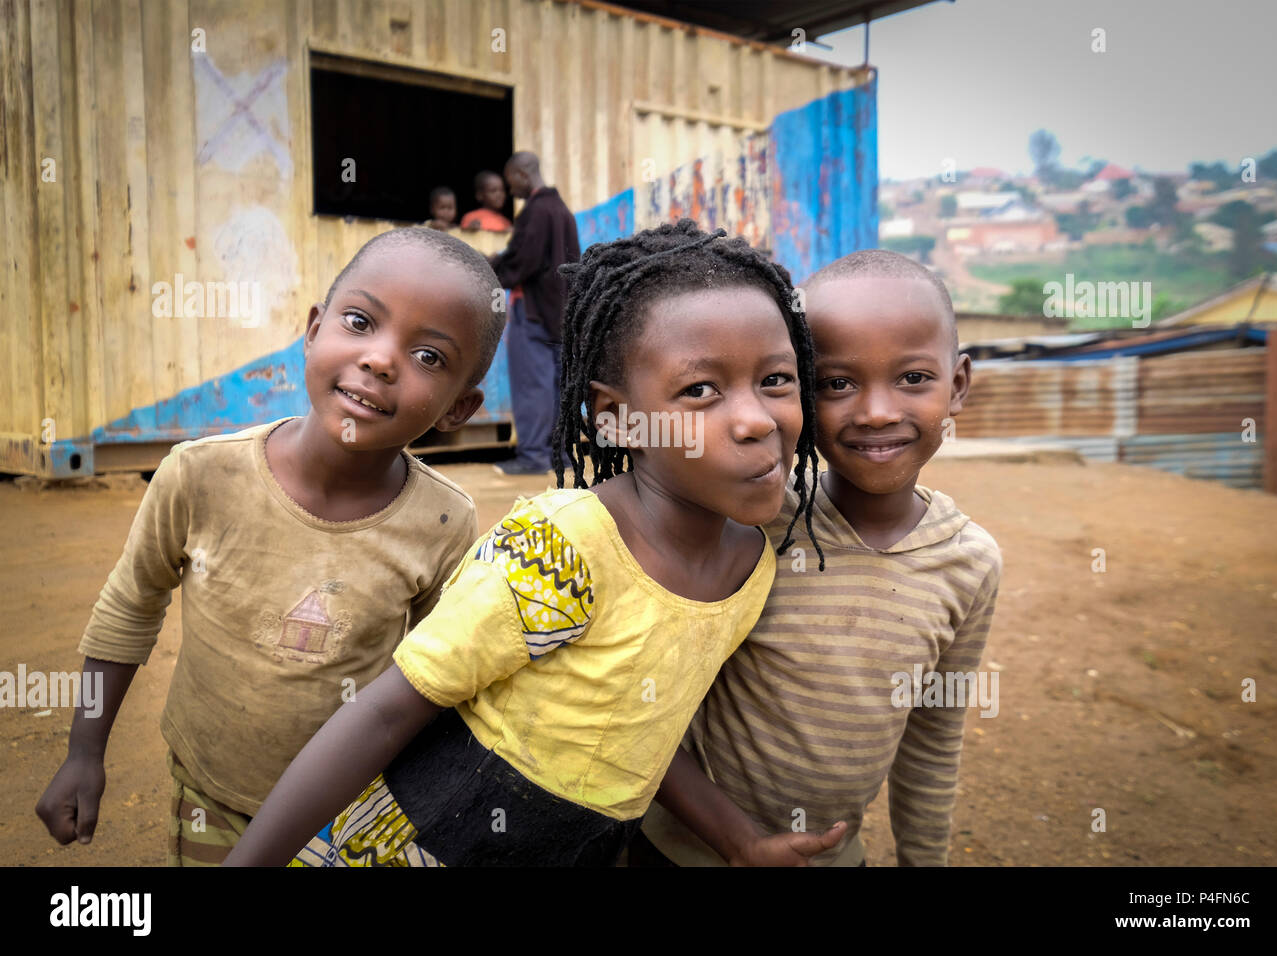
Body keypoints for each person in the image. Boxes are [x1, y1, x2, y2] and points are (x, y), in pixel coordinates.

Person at [223, 220, 824, 867]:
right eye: (700, 390)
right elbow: (387, 712)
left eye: (776, 381)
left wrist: (743, 842)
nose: (757, 421)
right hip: (429, 837)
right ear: (617, 418)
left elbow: (641, 729)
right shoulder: (560, 552)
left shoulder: (753, 563)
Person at [34, 228, 506, 865]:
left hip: (351, 811)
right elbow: (130, 605)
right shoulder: (200, 475)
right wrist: (84, 752)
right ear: (313, 330)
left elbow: (429, 676)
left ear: (459, 408)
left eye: (429, 358)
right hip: (212, 795)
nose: (382, 360)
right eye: (361, 321)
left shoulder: (445, 520)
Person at [635, 249, 1003, 867]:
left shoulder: (970, 563)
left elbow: (934, 737)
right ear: (799, 391)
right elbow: (649, 698)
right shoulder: (752, 524)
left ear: (958, 384)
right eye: (837, 383)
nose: (878, 411)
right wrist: (736, 842)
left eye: (913, 378)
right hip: (682, 850)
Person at [488, 151, 580, 476]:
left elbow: (522, 260)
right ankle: (560, 456)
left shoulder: (536, 212)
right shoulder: (563, 212)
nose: (510, 189)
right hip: (561, 315)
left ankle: (533, 457)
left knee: (532, 385)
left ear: (522, 174)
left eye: (510, 181)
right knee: (555, 385)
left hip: (534, 313)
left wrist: (490, 266)